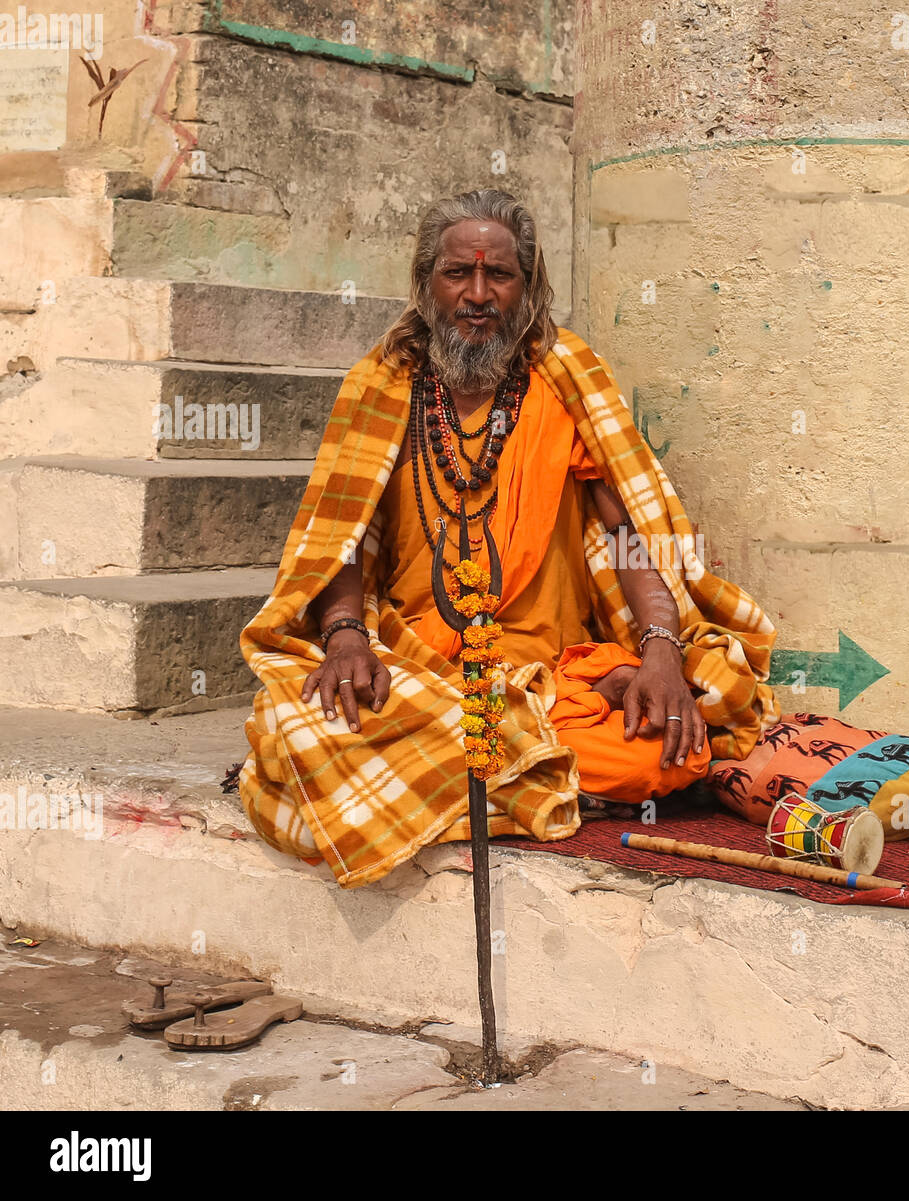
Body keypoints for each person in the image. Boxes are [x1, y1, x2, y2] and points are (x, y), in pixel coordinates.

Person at [237, 188, 778, 888]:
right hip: (415, 672)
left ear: (529, 287)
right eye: (458, 273)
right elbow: (344, 534)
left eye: (501, 276)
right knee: (293, 723)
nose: (478, 294)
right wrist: (344, 636)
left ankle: (461, 776)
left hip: (546, 676)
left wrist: (663, 648)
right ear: (426, 282)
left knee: (660, 751)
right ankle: (523, 776)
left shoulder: (565, 380)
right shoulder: (381, 387)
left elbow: (626, 533)